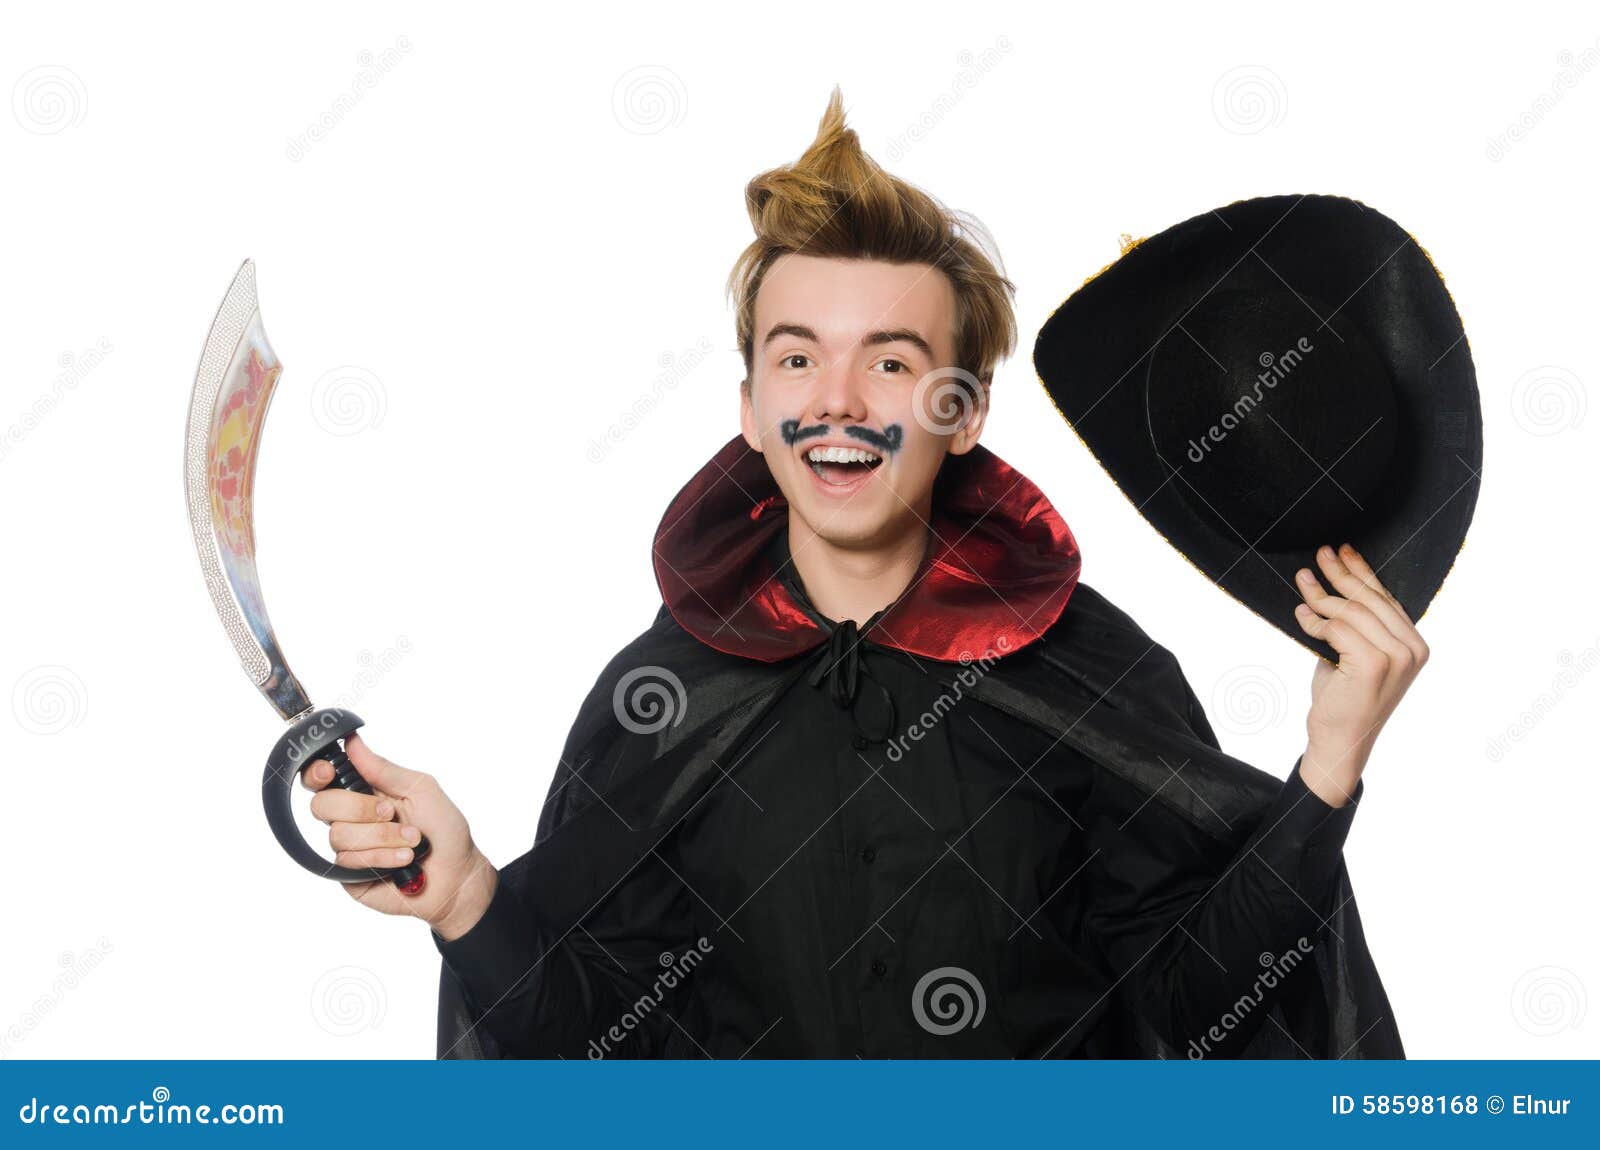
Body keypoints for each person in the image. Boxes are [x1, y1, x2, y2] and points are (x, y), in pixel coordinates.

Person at [303, 88, 1422, 1059]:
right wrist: (464, 897)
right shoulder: (658, 704)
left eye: (890, 362)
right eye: (797, 356)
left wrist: (1324, 773)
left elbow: (1198, 1015)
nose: (837, 401)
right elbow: (589, 1049)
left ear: (963, 411)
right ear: (749, 405)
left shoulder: (1095, 672)